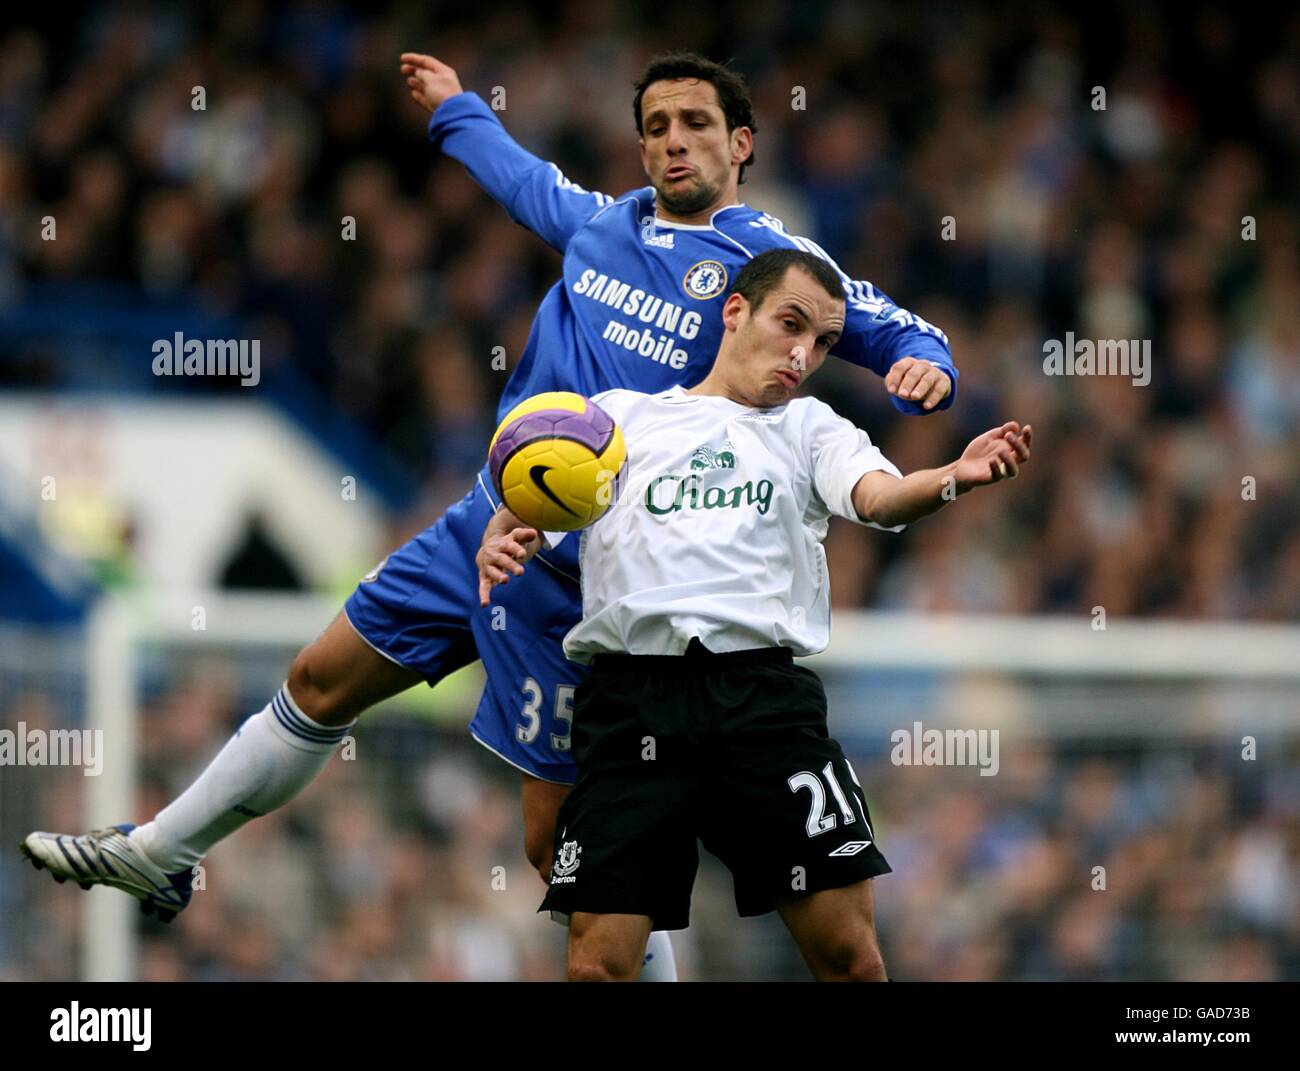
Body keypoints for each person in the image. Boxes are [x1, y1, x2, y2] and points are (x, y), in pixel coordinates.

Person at [22, 53, 957, 981]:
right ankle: (162, 850)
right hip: (488, 522)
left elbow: (887, 326)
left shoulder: (771, 265)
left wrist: (928, 369)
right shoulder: (602, 224)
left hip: (591, 587)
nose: (674, 142)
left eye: (697, 124)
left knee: (567, 857)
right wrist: (458, 108)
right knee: (319, 677)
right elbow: (518, 177)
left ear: (741, 142)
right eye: (658, 126)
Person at [476, 249, 1031, 980]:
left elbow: (879, 497)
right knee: (595, 966)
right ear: (735, 310)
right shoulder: (617, 421)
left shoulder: (809, 428)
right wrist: (500, 532)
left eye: (825, 342)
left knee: (851, 958)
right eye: (790, 323)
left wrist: (950, 480)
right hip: (632, 708)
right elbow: (532, 497)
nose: (803, 353)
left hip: (763, 706)